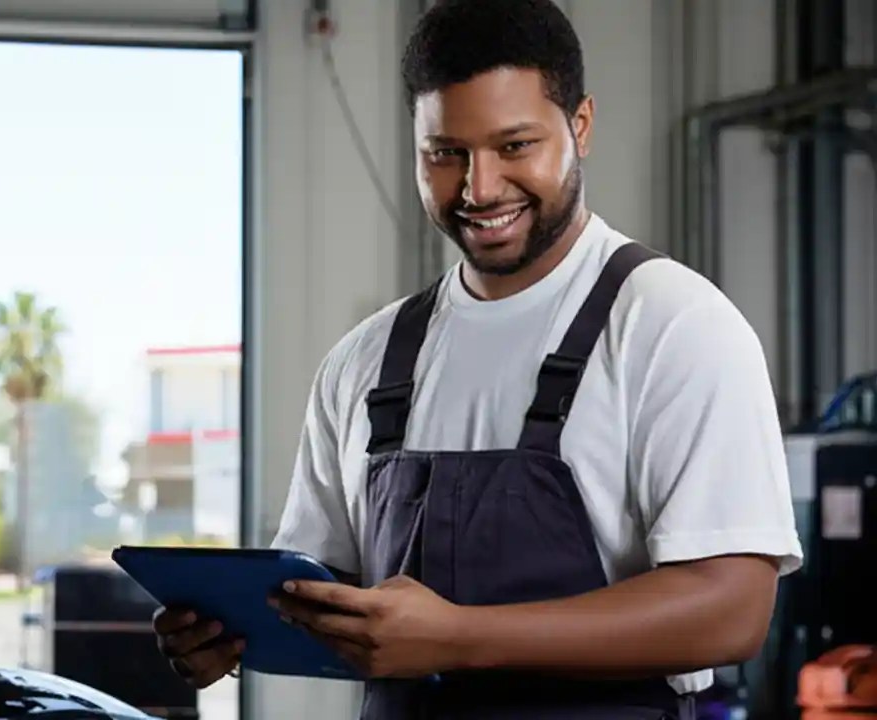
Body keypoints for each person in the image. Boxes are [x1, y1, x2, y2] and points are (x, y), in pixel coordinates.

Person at [152, 0, 803, 716]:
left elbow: (733, 610)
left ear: (579, 126)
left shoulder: (674, 326)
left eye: (515, 146)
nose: (479, 188)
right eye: (445, 153)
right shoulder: (364, 360)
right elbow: (324, 590)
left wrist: (461, 637)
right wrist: (232, 631)